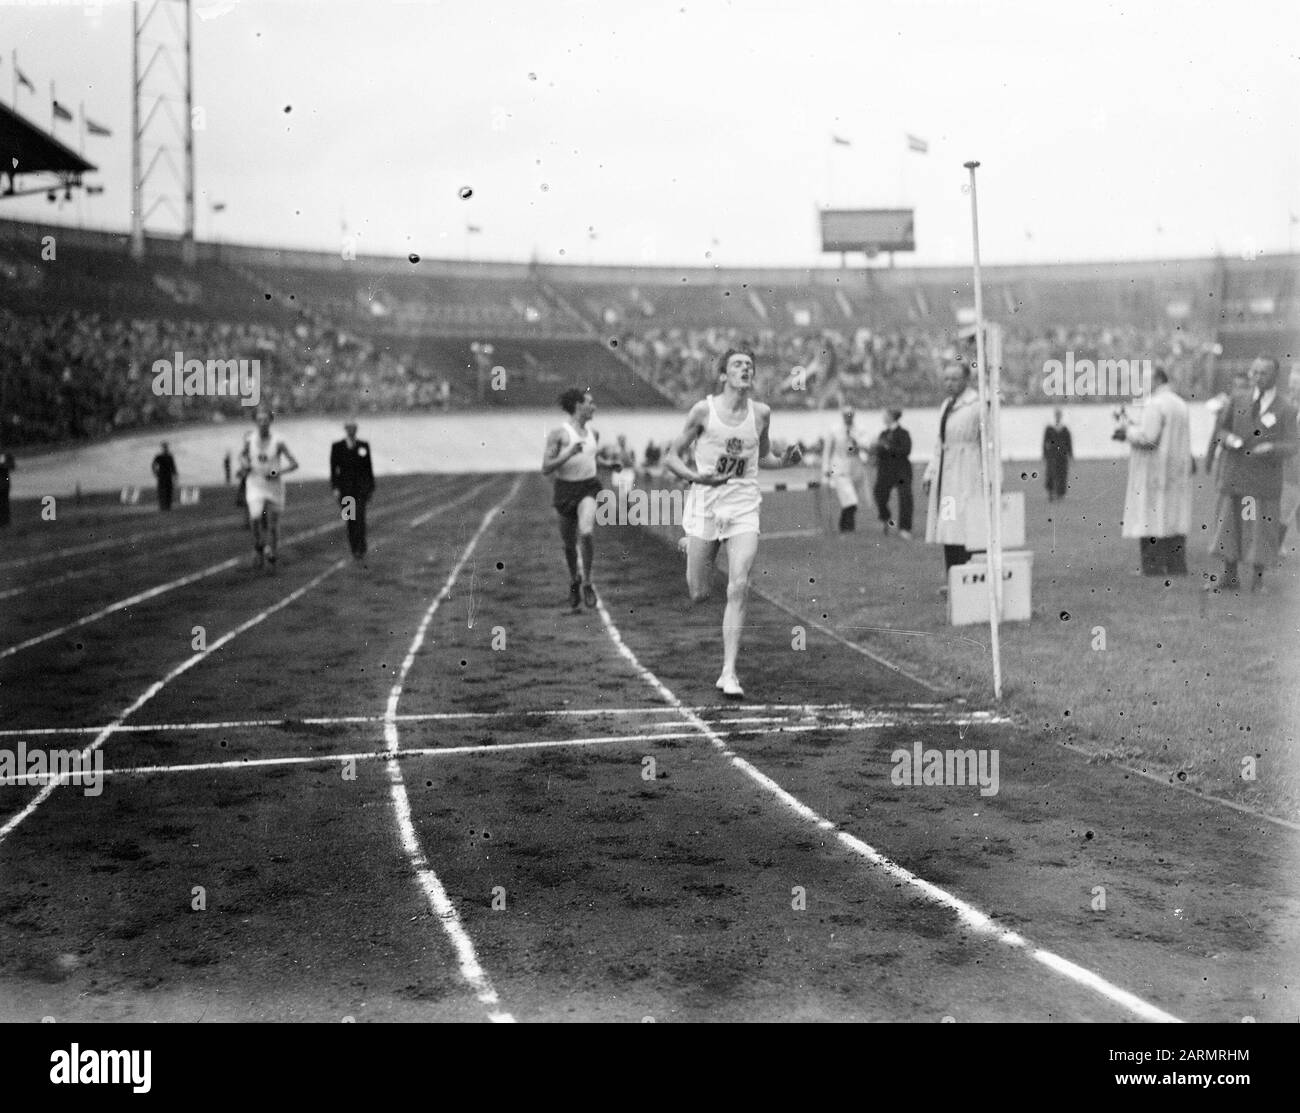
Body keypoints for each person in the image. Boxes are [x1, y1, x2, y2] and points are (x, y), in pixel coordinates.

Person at [662, 347, 802, 698]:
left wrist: (785, 462)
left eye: (750, 365)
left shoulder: (761, 414)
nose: (746, 369)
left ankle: (729, 672)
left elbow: (764, 457)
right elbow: (670, 456)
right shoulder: (703, 411)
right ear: (723, 375)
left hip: (743, 507)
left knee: (739, 585)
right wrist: (698, 477)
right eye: (738, 365)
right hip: (706, 505)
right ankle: (691, 544)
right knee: (699, 592)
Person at [1207, 359, 1298, 592]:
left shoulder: (1286, 408)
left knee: (1261, 530)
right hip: (1235, 475)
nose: (1258, 377)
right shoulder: (1237, 399)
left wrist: (1272, 449)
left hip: (1263, 480)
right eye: (1255, 372)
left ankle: (1258, 581)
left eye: (1264, 373)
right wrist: (1230, 440)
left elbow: (1293, 444)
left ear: (1275, 376)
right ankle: (1229, 576)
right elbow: (1220, 429)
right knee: (1230, 525)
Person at [1115, 368, 1191, 576]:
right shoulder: (1180, 404)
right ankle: (1176, 565)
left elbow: (1148, 438)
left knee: (1150, 516)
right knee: (1174, 516)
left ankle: (1153, 566)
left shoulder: (1154, 404)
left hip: (1155, 469)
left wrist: (1127, 432)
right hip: (1176, 468)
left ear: (1157, 380)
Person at [923, 362, 985, 584]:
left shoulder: (977, 405)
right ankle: (952, 577)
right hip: (946, 477)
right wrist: (931, 472)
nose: (949, 383)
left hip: (967, 473)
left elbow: (989, 444)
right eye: (946, 379)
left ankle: (969, 577)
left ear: (966, 380)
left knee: (966, 526)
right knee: (949, 526)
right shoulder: (947, 405)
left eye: (955, 379)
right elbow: (940, 443)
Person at [541, 387, 602, 611]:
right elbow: (545, 467)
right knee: (568, 544)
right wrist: (568, 453)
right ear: (578, 406)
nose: (594, 406)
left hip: (588, 487)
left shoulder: (594, 434)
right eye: (590, 402)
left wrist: (606, 464)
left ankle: (587, 581)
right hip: (565, 489)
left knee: (586, 531)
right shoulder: (559, 434)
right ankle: (574, 579)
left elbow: (590, 458)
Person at [239, 407, 299, 572]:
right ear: (256, 422)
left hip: (274, 486)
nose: (263, 423)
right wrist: (244, 465)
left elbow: (294, 464)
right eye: (259, 420)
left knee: (273, 525)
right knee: (255, 516)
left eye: (266, 419)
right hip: (255, 484)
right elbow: (242, 455)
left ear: (270, 421)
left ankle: (272, 553)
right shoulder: (250, 440)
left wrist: (278, 472)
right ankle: (258, 547)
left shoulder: (278, 442)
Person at [330, 419, 376, 560]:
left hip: (360, 490)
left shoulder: (363, 446)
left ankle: (361, 547)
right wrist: (335, 487)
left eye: (354, 428)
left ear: (356, 429)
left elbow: (368, 467)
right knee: (351, 519)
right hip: (346, 490)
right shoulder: (338, 447)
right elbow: (334, 469)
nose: (352, 430)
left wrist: (371, 486)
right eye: (349, 428)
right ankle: (354, 547)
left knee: (360, 519)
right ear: (346, 429)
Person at [822, 406, 867, 532]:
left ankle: (845, 526)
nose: (849, 418)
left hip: (855, 467)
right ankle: (847, 528)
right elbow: (827, 451)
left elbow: (865, 447)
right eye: (846, 415)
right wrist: (826, 468)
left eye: (851, 415)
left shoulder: (859, 429)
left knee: (850, 499)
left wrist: (856, 441)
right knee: (850, 498)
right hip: (839, 467)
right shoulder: (834, 430)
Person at [872, 408, 914, 539]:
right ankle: (886, 518)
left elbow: (906, 450)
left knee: (905, 498)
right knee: (879, 494)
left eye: (885, 415)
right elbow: (879, 452)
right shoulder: (883, 433)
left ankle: (905, 529)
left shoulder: (904, 433)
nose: (883, 418)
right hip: (885, 471)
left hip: (901, 471)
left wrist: (887, 447)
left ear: (892, 417)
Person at [1042, 409, 1073, 501]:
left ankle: (1060, 493)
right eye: (1057, 415)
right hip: (1052, 454)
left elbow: (1069, 442)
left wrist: (1071, 454)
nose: (1058, 417)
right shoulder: (1049, 428)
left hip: (1062, 455)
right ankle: (1050, 491)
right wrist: (1044, 453)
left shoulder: (1065, 429)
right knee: (1051, 473)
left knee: (1062, 473)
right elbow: (1045, 442)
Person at [151, 442, 178, 512]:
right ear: (163, 448)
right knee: (162, 491)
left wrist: (175, 474)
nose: (166, 448)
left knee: (168, 491)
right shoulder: (160, 456)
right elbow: (153, 465)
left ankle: (167, 506)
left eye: (166, 447)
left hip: (167, 476)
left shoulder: (169, 456)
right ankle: (163, 506)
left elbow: (173, 466)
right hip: (162, 476)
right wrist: (155, 473)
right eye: (165, 447)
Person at [0, 445, 13, 528]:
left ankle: (5, 522)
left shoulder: (4, 454)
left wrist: (3, 465)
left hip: (3, 483)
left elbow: (11, 466)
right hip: (4, 482)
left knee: (4, 503)